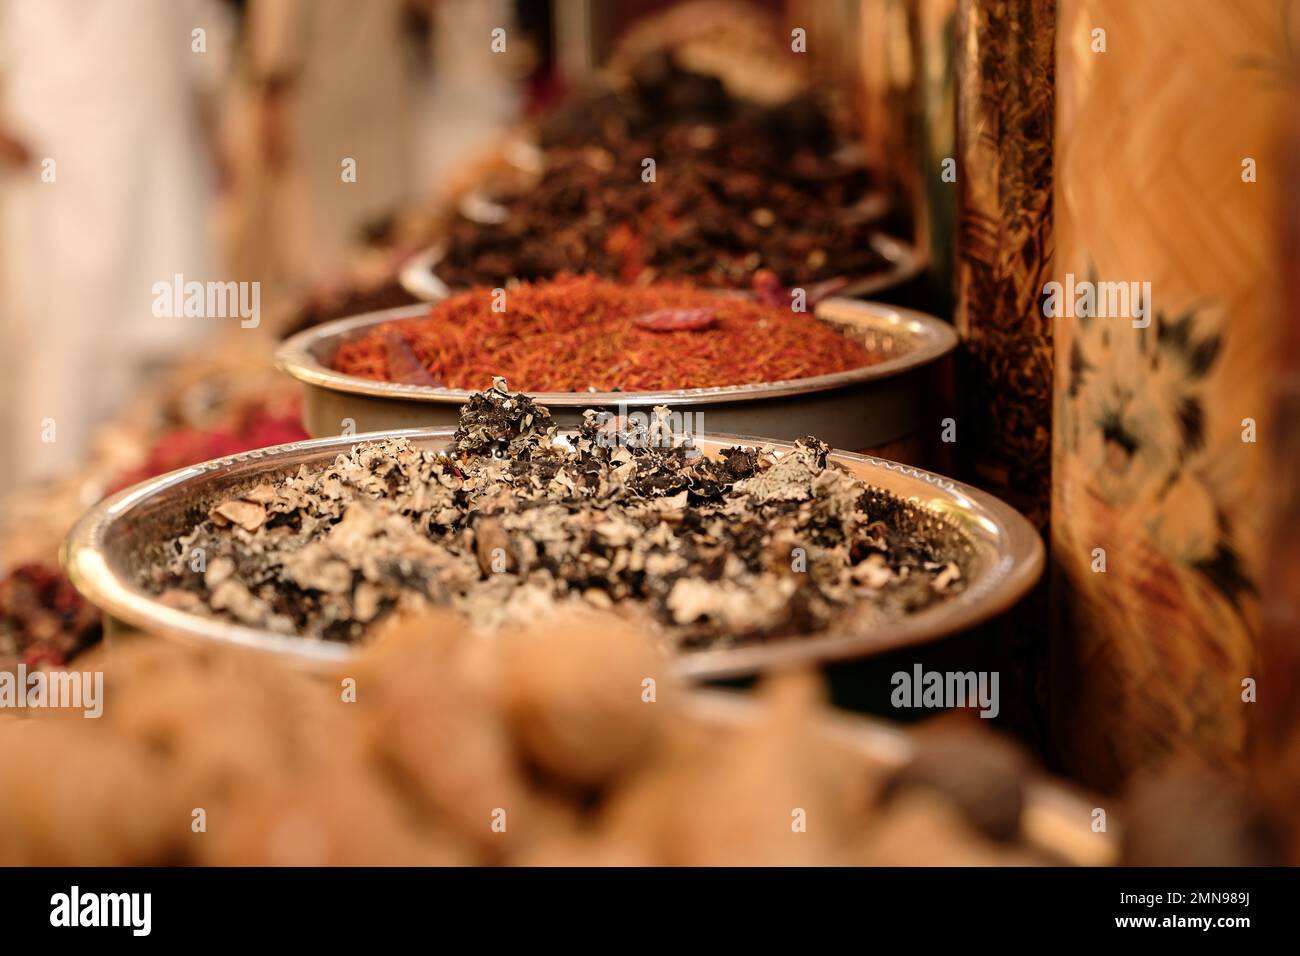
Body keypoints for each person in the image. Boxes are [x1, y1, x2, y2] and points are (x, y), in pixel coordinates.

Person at [0, 0, 232, 489]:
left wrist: (213, 135)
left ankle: (153, 475)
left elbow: (200, 44)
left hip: (148, 154)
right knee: (62, 335)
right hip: (49, 159)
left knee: (156, 325)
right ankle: (54, 487)